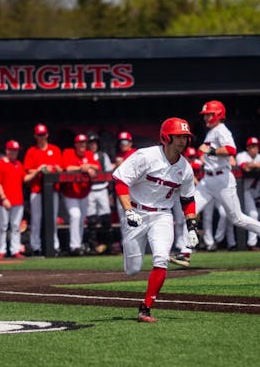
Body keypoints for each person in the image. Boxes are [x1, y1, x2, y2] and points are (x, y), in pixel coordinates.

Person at [112, 117, 198, 323]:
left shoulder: (185, 168)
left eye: (186, 137)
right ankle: (136, 267)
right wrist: (128, 210)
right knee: (132, 269)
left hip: (162, 215)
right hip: (137, 213)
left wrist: (192, 228)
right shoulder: (145, 156)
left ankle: (146, 308)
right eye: (179, 137)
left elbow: (188, 200)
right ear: (166, 137)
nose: (183, 141)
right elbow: (120, 181)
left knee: (161, 259)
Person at [189, 100, 260, 264]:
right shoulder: (211, 131)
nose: (206, 118)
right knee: (189, 211)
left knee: (237, 218)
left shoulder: (221, 130)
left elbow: (231, 150)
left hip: (222, 179)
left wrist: (210, 150)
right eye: (205, 115)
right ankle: (185, 251)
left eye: (209, 114)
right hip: (208, 179)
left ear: (217, 114)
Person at [23, 123, 64, 256]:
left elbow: (61, 169)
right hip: (37, 189)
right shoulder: (31, 151)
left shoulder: (55, 149)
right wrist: (40, 169)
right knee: (36, 219)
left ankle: (55, 246)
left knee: (53, 219)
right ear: (35, 136)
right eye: (39, 135)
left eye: (43, 135)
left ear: (47, 135)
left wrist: (55, 169)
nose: (41, 137)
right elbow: (28, 170)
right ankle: (36, 247)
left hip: (52, 190)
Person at [61, 134, 100, 255]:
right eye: (80, 143)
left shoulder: (89, 154)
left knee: (82, 218)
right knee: (75, 216)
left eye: (84, 143)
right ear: (75, 144)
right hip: (70, 192)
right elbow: (67, 168)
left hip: (84, 193)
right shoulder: (68, 152)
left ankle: (78, 245)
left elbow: (98, 166)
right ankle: (74, 246)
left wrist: (89, 166)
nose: (83, 145)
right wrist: (81, 168)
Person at [236, 137, 260, 251]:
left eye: (256, 146)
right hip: (242, 190)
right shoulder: (241, 155)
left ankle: (254, 243)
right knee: (252, 214)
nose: (255, 148)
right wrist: (255, 165)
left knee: (259, 214)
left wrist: (256, 165)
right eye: (252, 146)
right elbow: (246, 168)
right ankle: (250, 243)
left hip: (255, 190)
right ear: (247, 148)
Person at [0, 140, 26, 258]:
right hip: (3, 201)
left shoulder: (18, 164)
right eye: (13, 150)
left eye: (16, 151)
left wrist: (37, 171)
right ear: (7, 151)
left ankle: (15, 250)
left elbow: (24, 179)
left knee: (16, 227)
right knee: (3, 226)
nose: (15, 153)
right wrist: (3, 198)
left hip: (18, 200)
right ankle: (1, 250)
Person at [85, 133, 114, 255]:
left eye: (94, 143)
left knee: (106, 219)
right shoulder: (85, 156)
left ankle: (108, 245)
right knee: (91, 220)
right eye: (90, 143)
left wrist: (110, 193)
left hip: (102, 189)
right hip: (89, 190)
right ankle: (92, 246)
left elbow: (109, 173)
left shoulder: (103, 156)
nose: (93, 145)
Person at [113, 131, 137, 251]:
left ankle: (135, 244)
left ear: (130, 142)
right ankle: (126, 244)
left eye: (125, 142)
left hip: (135, 190)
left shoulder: (135, 153)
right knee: (123, 218)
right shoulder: (118, 155)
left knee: (137, 215)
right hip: (122, 190)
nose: (123, 144)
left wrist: (123, 164)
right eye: (121, 142)